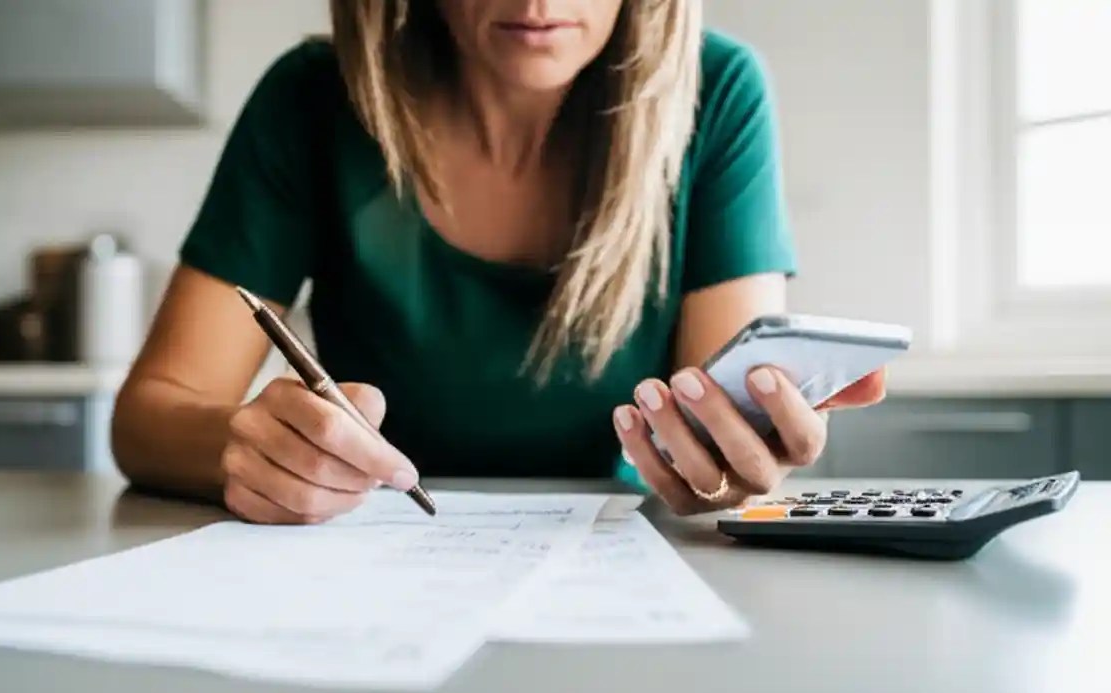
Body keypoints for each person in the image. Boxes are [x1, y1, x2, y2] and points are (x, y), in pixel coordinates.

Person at [111, 0, 887, 525]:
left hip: (621, 554)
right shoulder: (311, 100)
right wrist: (247, 450)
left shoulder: (716, 93)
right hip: (365, 561)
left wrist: (730, 462)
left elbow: (722, 434)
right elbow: (150, 417)